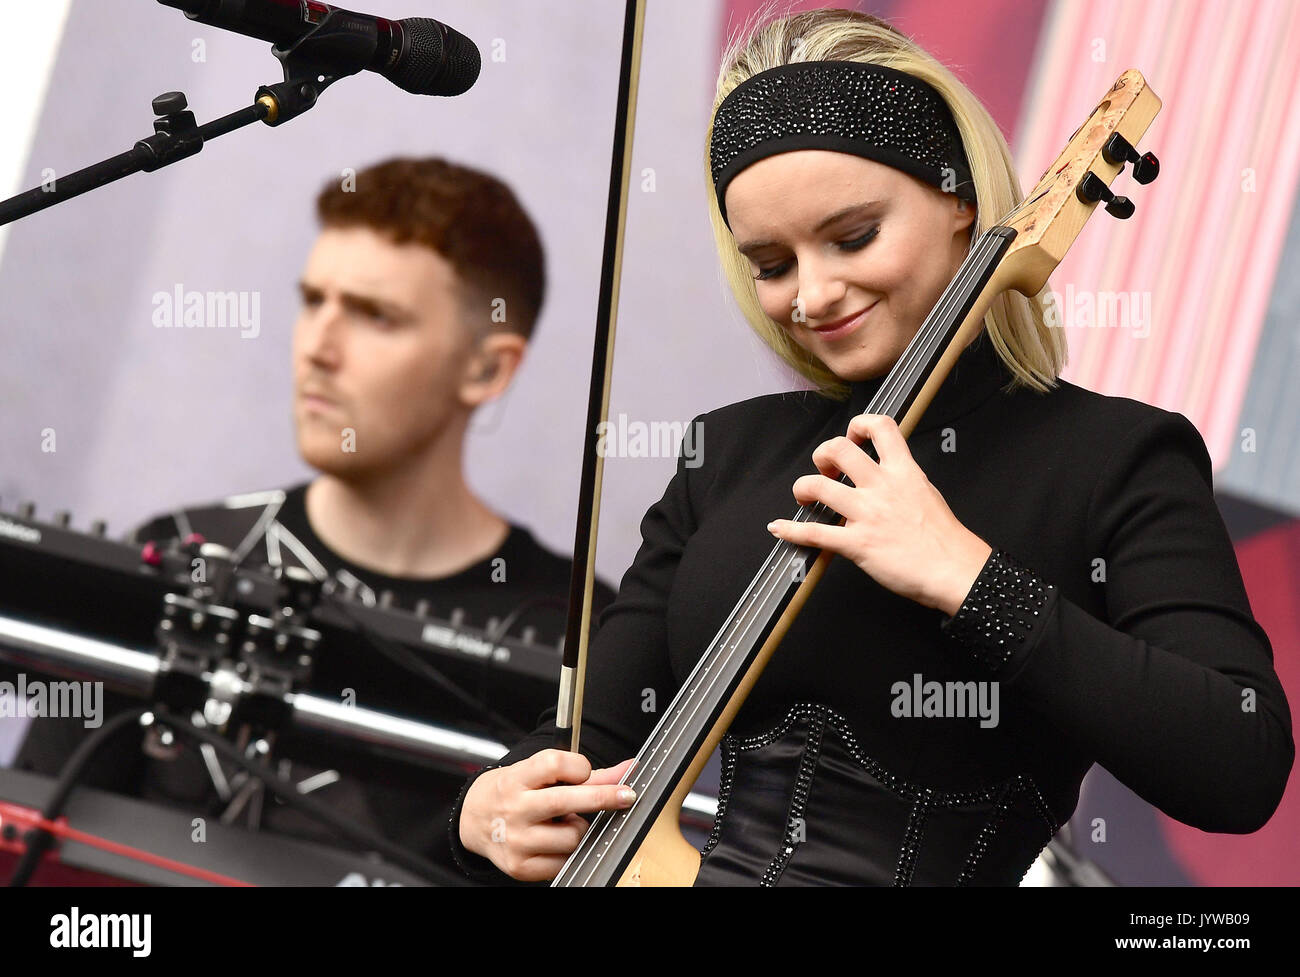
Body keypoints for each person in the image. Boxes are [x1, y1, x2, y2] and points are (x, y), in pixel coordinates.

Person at [447, 9, 1294, 886]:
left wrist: (967, 577)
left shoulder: (1117, 457)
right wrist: (482, 810)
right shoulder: (726, 453)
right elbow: (590, 745)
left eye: (853, 237)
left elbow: (1240, 759)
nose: (812, 294)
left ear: (963, 204)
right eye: (772, 264)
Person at [12, 156, 614, 878]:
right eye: (312, 301)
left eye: (374, 315)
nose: (316, 349)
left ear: (486, 369)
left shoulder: (591, 637)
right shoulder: (183, 552)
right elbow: (34, 846)